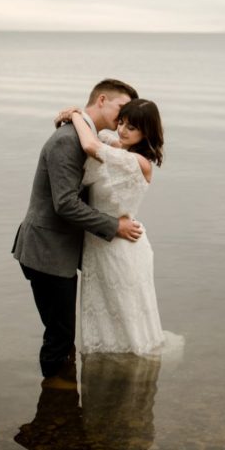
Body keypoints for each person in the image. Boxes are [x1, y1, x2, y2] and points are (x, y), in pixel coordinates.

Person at [13, 79, 144, 387]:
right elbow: (65, 205)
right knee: (59, 335)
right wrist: (115, 226)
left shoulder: (86, 133)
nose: (124, 120)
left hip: (59, 249)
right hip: (46, 250)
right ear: (101, 100)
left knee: (62, 332)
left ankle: (60, 401)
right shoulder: (66, 140)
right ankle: (55, 404)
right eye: (121, 109)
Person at [56, 98, 168, 355]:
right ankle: (105, 375)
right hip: (101, 243)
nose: (123, 130)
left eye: (133, 127)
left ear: (146, 133)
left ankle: (125, 372)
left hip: (120, 247)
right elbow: (105, 135)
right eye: (123, 122)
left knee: (124, 315)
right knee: (104, 313)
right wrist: (88, 119)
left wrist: (75, 114)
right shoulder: (120, 148)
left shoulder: (139, 162)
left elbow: (90, 144)